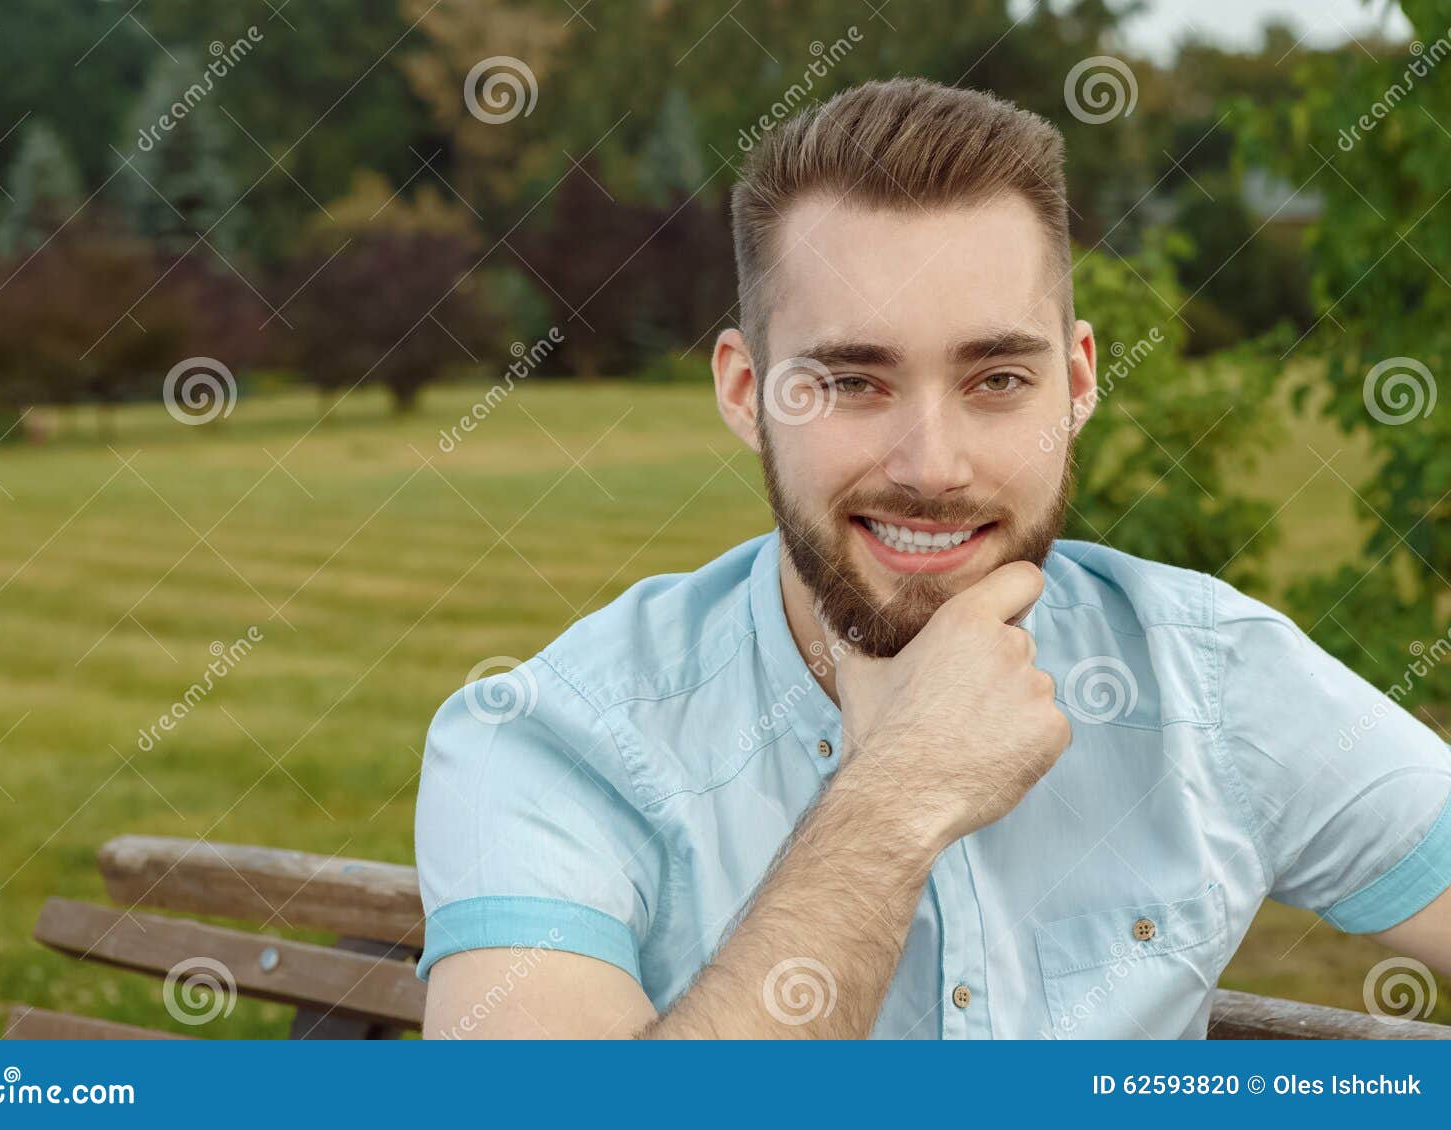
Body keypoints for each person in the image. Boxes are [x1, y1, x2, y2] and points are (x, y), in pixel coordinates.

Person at [413, 76, 1451, 1039]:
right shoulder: (549, 741)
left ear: (1079, 382)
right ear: (744, 391)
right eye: (853, 381)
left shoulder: (1214, 677)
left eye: (996, 378)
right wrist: (901, 791)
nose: (932, 465)